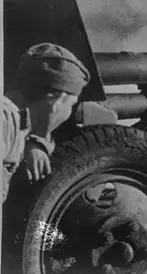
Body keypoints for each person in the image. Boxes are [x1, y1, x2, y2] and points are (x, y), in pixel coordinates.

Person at [1, 43, 91, 202]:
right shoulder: (5, 121)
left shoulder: (12, 120)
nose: (69, 113)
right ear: (56, 101)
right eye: (70, 105)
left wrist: (31, 143)